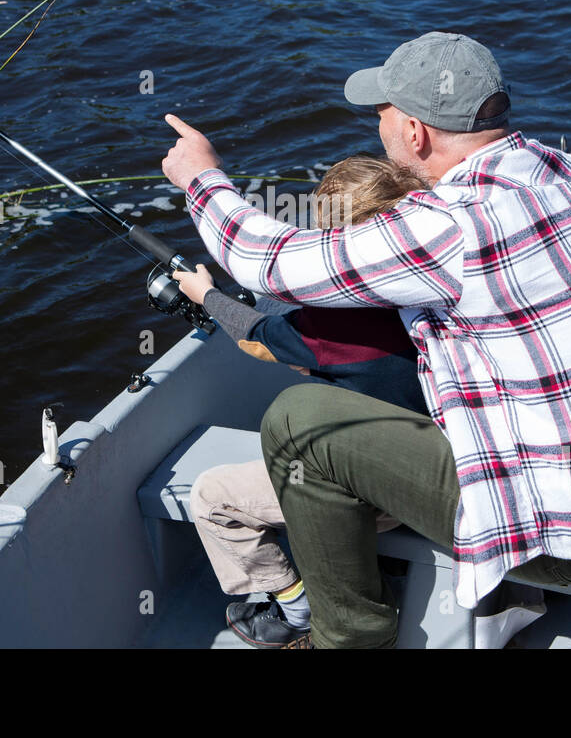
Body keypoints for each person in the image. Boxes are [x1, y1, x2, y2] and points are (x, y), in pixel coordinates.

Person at [160, 31, 571, 649]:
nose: (379, 128)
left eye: (384, 115)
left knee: (298, 419)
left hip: (563, 543)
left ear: (415, 132)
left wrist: (201, 178)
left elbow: (263, 260)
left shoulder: (450, 227)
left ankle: (348, 636)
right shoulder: (567, 171)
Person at [172, 154, 427, 647]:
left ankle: (294, 606)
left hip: (373, 496)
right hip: (429, 477)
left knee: (212, 498)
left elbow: (255, 335)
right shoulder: (434, 293)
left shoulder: (331, 327)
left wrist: (205, 294)